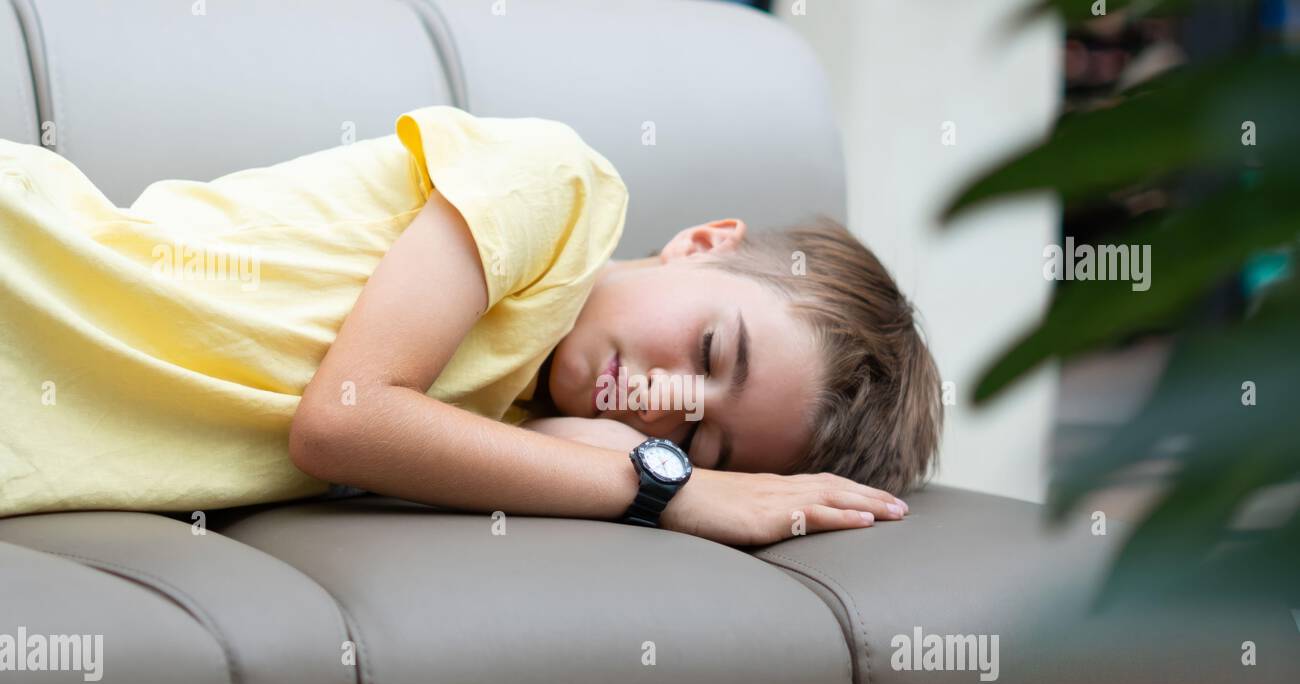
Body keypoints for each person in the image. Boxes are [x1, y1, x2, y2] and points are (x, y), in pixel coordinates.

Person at [0, 106, 940, 544]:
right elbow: (348, 417)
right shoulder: (558, 191)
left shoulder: (527, 439)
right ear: (700, 243)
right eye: (708, 352)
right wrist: (672, 489)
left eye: (696, 438)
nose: (661, 401)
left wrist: (601, 452)